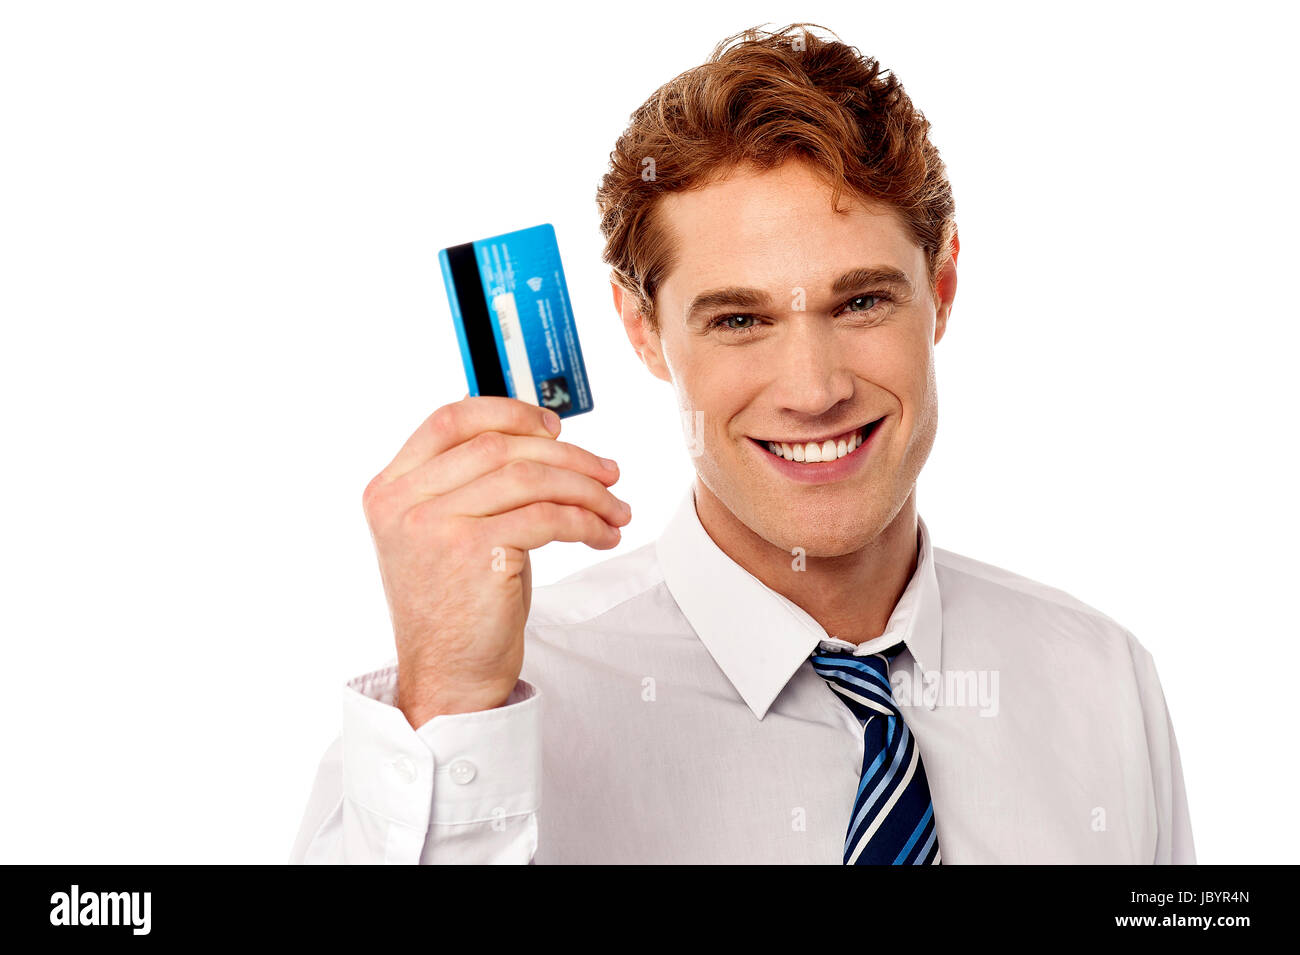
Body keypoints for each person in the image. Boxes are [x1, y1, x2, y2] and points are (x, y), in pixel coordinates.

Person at [291, 23, 1194, 864]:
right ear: (643, 331)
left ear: (944, 288)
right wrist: (449, 700)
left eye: (862, 301)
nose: (815, 390)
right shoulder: (477, 718)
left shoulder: (1102, 680)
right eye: (737, 318)